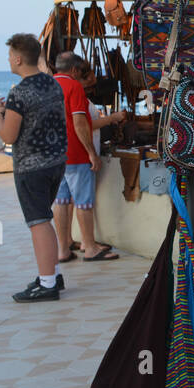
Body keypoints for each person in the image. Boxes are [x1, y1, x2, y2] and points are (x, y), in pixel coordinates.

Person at [0, 34, 68, 302]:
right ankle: (52, 274)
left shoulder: (19, 92)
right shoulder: (53, 84)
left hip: (31, 166)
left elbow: (8, 136)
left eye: (9, 56)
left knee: (38, 222)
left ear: (17, 58)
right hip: (56, 162)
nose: (8, 61)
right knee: (43, 218)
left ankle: (47, 283)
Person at [50, 52, 119, 263]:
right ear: (73, 70)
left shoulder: (47, 86)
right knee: (83, 202)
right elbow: (80, 122)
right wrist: (91, 152)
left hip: (54, 154)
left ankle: (63, 248)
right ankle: (89, 247)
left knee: (61, 201)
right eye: (80, 72)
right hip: (75, 154)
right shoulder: (73, 87)